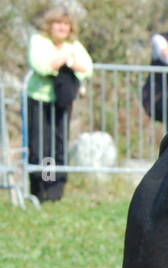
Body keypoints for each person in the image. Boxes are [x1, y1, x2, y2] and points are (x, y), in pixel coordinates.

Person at [25, 6, 93, 203]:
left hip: (62, 102)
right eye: (58, 23)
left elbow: (87, 67)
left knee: (59, 146)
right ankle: (41, 190)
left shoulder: (74, 45)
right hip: (39, 100)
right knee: (42, 148)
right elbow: (40, 65)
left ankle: (55, 191)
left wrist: (65, 61)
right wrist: (66, 62)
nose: (62, 28)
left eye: (66, 24)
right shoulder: (39, 41)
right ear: (50, 25)